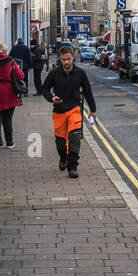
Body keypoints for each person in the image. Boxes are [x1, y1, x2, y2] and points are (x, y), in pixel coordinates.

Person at [42, 43, 97, 178]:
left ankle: (73, 167)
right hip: (59, 111)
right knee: (60, 142)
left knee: (74, 138)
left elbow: (88, 92)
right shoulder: (54, 73)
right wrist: (51, 98)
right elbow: (44, 89)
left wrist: (93, 110)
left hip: (74, 110)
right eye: (63, 59)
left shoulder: (80, 73)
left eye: (68, 59)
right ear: (60, 59)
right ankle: (63, 157)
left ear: (73, 57)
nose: (66, 62)